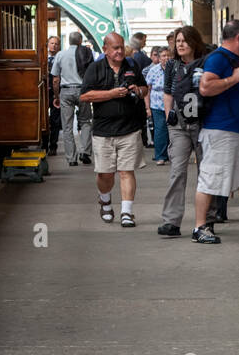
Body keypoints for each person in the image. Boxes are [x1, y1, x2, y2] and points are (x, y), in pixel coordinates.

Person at [79, 32, 148, 226]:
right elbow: (85, 96)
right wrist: (111, 94)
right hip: (103, 130)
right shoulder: (95, 68)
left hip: (129, 127)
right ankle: (105, 201)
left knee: (127, 171)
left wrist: (138, 91)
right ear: (105, 50)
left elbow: (145, 89)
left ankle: (127, 212)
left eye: (121, 47)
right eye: (115, 48)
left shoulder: (132, 65)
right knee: (105, 173)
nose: (119, 51)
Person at [189, 19, 239, 244]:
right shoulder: (219, 59)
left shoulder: (232, 59)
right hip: (220, 130)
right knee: (210, 179)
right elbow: (206, 86)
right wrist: (234, 78)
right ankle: (200, 227)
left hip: (233, 129)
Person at [159, 25, 208, 236]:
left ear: (194, 42)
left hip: (203, 123)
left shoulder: (206, 63)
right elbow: (168, 92)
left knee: (206, 172)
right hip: (179, 124)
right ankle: (171, 221)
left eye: (184, 41)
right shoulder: (172, 65)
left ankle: (208, 218)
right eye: (177, 41)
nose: (180, 44)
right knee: (177, 171)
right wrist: (169, 114)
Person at [52, 31, 93, 166]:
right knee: (86, 121)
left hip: (66, 91)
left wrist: (56, 96)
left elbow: (55, 79)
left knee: (67, 125)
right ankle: (85, 152)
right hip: (83, 91)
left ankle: (71, 158)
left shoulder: (60, 55)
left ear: (69, 41)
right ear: (80, 41)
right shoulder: (87, 53)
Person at [145, 46, 169, 164]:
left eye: (168, 55)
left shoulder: (175, 69)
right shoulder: (153, 70)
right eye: (164, 56)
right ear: (159, 58)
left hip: (172, 104)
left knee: (173, 130)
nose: (166, 58)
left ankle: (171, 154)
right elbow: (147, 90)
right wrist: (147, 107)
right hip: (157, 105)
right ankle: (160, 156)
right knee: (160, 130)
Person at [45, 35, 61, 155]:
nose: (54, 46)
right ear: (47, 44)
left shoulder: (60, 58)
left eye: (56, 44)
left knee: (55, 120)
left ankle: (53, 146)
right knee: (44, 119)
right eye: (51, 43)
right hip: (44, 91)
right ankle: (43, 144)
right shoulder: (42, 58)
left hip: (57, 92)